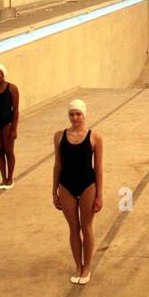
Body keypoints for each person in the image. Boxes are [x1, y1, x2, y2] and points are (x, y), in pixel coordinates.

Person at [52, 99, 103, 284]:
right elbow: (58, 165)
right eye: (71, 114)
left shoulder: (94, 136)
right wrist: (54, 191)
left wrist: (99, 195)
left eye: (78, 114)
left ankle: (87, 267)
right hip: (66, 186)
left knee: (86, 227)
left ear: (84, 115)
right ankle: (78, 267)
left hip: (88, 185)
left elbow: (98, 168)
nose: (75, 117)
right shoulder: (59, 136)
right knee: (73, 228)